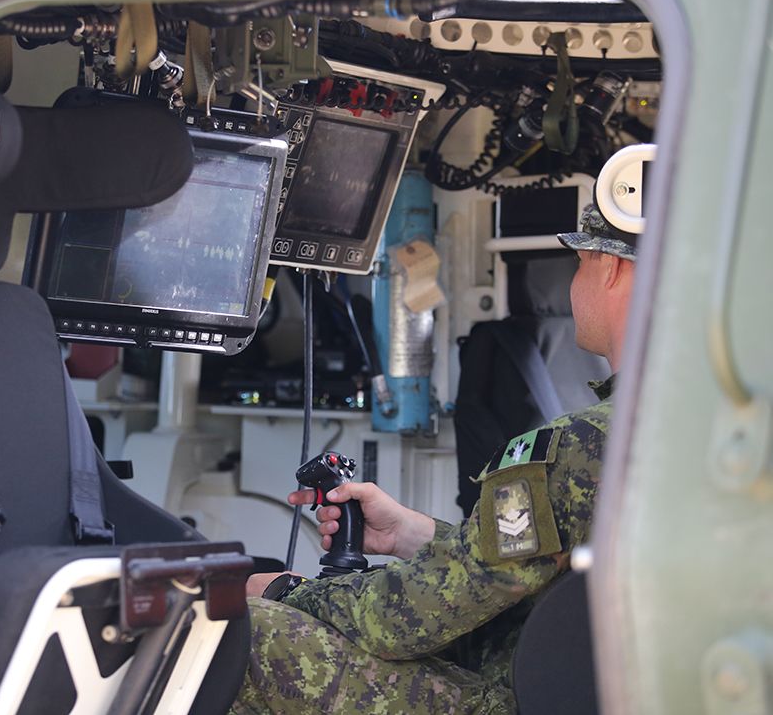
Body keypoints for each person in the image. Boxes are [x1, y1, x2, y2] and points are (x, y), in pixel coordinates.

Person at [230, 202, 638, 715]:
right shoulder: (684, 434)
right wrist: (409, 533)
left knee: (245, 632)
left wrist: (289, 592)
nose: (572, 285)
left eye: (579, 263)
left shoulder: (588, 441)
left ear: (613, 267)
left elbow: (400, 624)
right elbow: (519, 572)